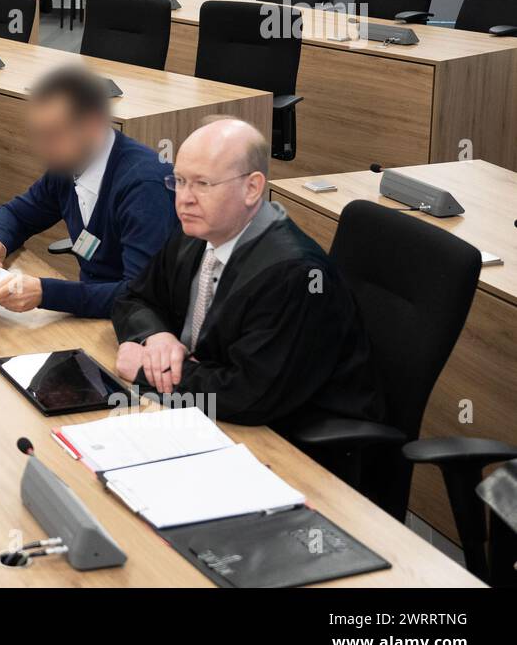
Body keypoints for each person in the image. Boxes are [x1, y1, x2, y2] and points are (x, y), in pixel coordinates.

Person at [111, 118, 384, 428]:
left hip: (291, 441)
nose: (184, 198)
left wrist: (147, 372)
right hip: (211, 414)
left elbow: (248, 395)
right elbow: (133, 297)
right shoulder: (198, 231)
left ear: (252, 188)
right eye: (180, 181)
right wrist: (156, 338)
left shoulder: (293, 275)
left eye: (203, 184)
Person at [0, 66, 177, 318]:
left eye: (54, 135)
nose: (43, 148)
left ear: (93, 125)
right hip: (92, 313)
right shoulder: (68, 166)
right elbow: (16, 213)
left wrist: (45, 293)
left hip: (138, 326)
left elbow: (139, 296)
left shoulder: (144, 187)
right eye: (39, 135)